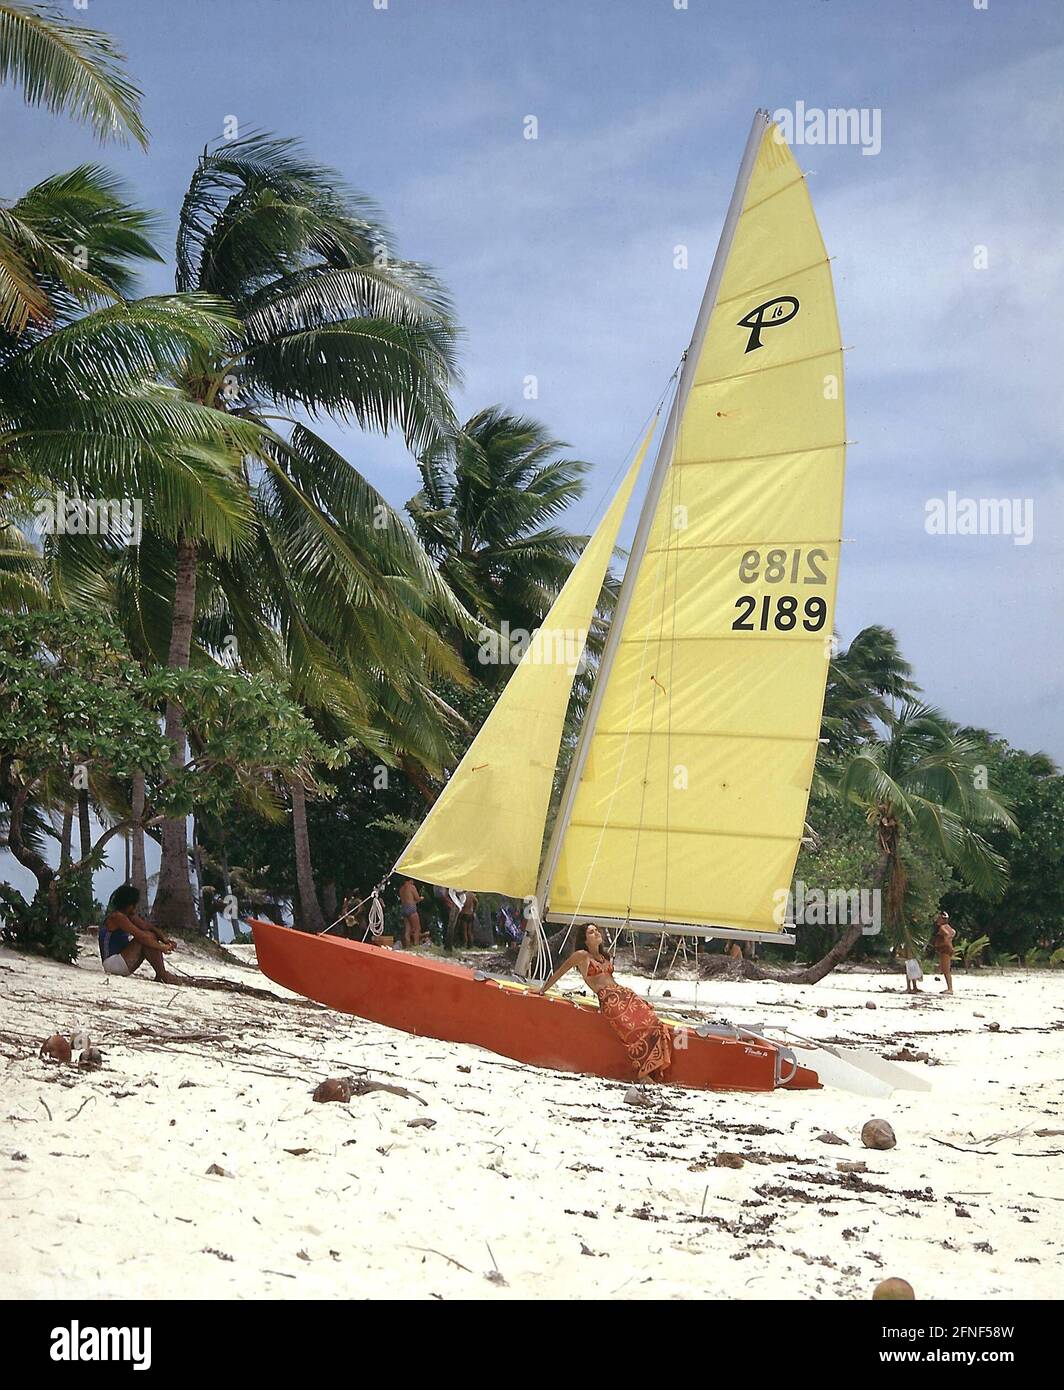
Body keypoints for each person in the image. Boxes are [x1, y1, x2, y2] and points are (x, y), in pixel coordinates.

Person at [535, 922, 672, 1082]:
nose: (596, 933)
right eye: (591, 932)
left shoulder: (604, 956)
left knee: (654, 1023)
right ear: (585, 940)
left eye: (597, 930)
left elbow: (611, 979)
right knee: (631, 1032)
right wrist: (543, 989)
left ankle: (651, 1070)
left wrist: (632, 997)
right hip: (609, 1000)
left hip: (624, 994)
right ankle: (643, 1074)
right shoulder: (581, 956)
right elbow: (560, 971)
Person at [98, 885, 176, 982]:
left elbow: (148, 927)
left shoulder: (127, 915)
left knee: (150, 935)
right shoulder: (117, 917)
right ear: (130, 905)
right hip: (112, 964)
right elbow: (141, 936)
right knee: (145, 939)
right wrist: (162, 947)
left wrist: (164, 939)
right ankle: (162, 974)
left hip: (122, 960)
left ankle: (161, 973)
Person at [930, 911, 956, 994]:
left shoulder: (942, 927)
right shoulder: (948, 926)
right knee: (946, 969)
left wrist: (946, 941)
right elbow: (953, 932)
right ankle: (949, 988)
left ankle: (950, 989)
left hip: (945, 949)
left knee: (946, 970)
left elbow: (947, 934)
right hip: (948, 949)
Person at [398, 879, 423, 948]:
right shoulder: (411, 887)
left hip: (404, 908)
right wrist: (421, 898)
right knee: (417, 928)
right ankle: (416, 945)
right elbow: (417, 898)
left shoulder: (401, 889)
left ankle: (407, 946)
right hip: (411, 907)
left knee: (407, 929)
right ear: (410, 880)